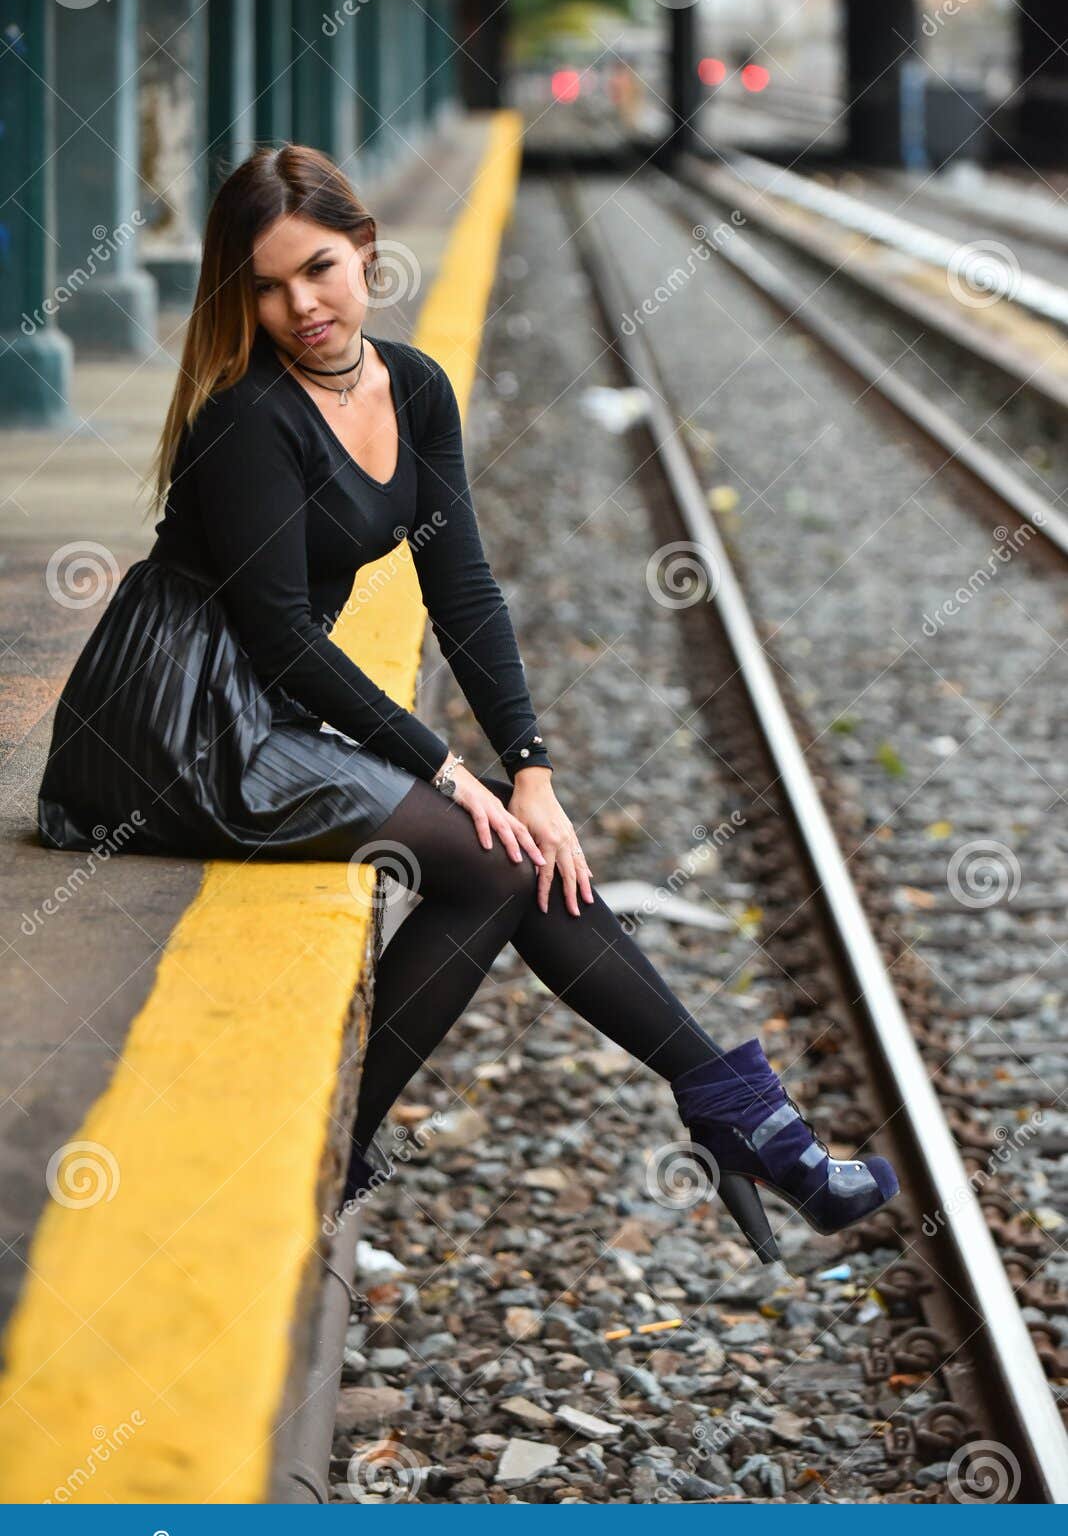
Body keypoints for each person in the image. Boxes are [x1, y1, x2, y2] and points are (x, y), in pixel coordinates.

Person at [35, 144, 899, 1262]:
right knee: (487, 850)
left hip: (262, 710)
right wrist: (446, 768)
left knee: (514, 840)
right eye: (266, 283)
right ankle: (718, 1115)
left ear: (366, 253)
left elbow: (463, 588)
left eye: (320, 268)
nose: (300, 304)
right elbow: (282, 637)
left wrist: (531, 772)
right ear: (238, 294)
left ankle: (730, 1110)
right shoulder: (251, 416)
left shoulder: (416, 388)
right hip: (174, 720)